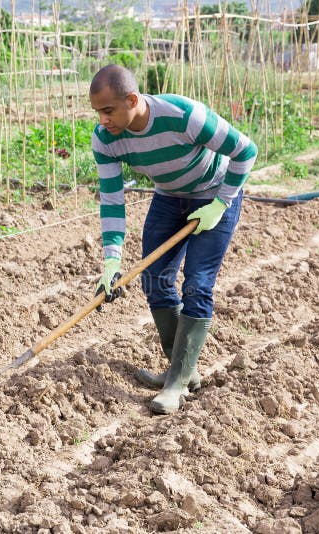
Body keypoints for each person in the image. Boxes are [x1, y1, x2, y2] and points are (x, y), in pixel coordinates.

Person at [90, 65, 257, 415]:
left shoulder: (185, 116)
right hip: (168, 197)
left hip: (215, 194)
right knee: (155, 280)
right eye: (97, 112)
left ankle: (176, 384)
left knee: (197, 285)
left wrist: (220, 204)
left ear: (133, 100)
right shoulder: (106, 138)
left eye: (108, 110)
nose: (102, 120)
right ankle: (184, 370)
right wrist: (112, 261)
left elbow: (246, 151)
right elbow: (112, 200)